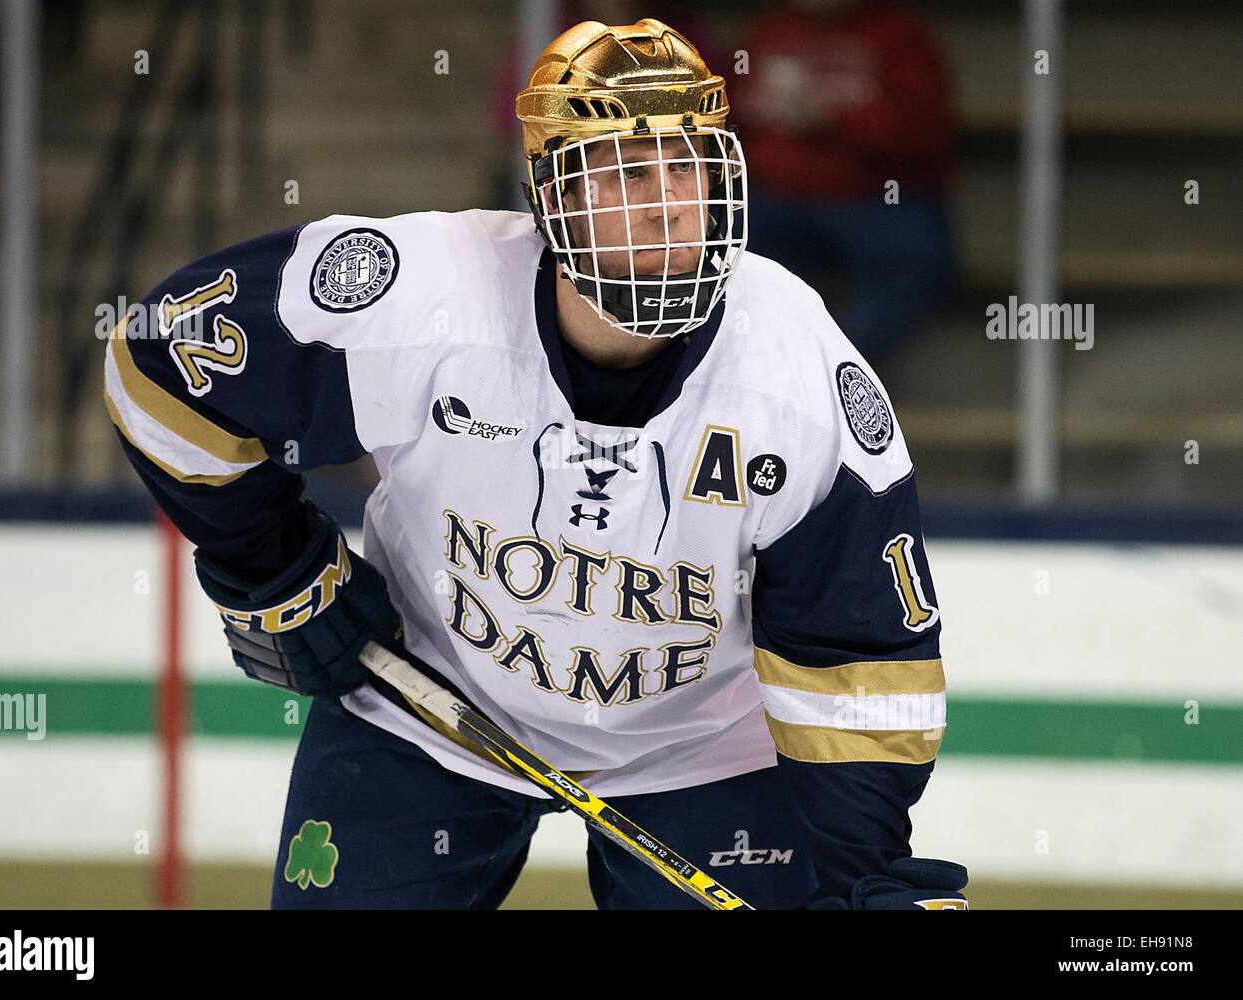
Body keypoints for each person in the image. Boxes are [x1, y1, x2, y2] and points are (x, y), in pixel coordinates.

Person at [105, 18, 966, 910]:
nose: (671, 201)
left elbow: (859, 651)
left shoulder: (795, 376)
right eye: (629, 171)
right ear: (552, 196)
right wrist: (275, 567)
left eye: (689, 166)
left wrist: (864, 872)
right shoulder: (426, 300)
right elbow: (163, 354)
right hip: (424, 700)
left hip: (705, 751)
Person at [732, 0, 956, 366]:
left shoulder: (899, 36)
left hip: (877, 200)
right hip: (778, 200)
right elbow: (734, 127)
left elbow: (925, 134)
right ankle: (766, 371)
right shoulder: (768, 31)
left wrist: (834, 120)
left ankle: (833, 373)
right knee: (727, 252)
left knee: (916, 259)